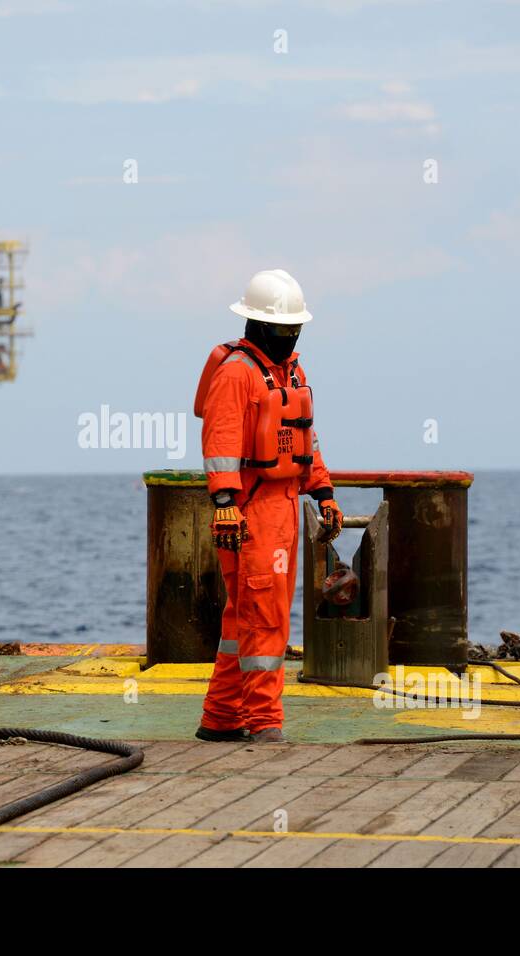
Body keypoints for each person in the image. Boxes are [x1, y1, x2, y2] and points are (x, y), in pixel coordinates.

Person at [194, 269, 343, 744]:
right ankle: (264, 721)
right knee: (265, 617)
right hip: (251, 512)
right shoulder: (237, 373)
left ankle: (221, 717)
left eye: (295, 329)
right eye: (282, 329)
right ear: (256, 325)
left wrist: (323, 492)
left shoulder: (292, 373)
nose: (289, 336)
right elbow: (219, 440)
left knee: (244, 618)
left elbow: (305, 440)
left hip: (283, 509)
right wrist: (224, 502)